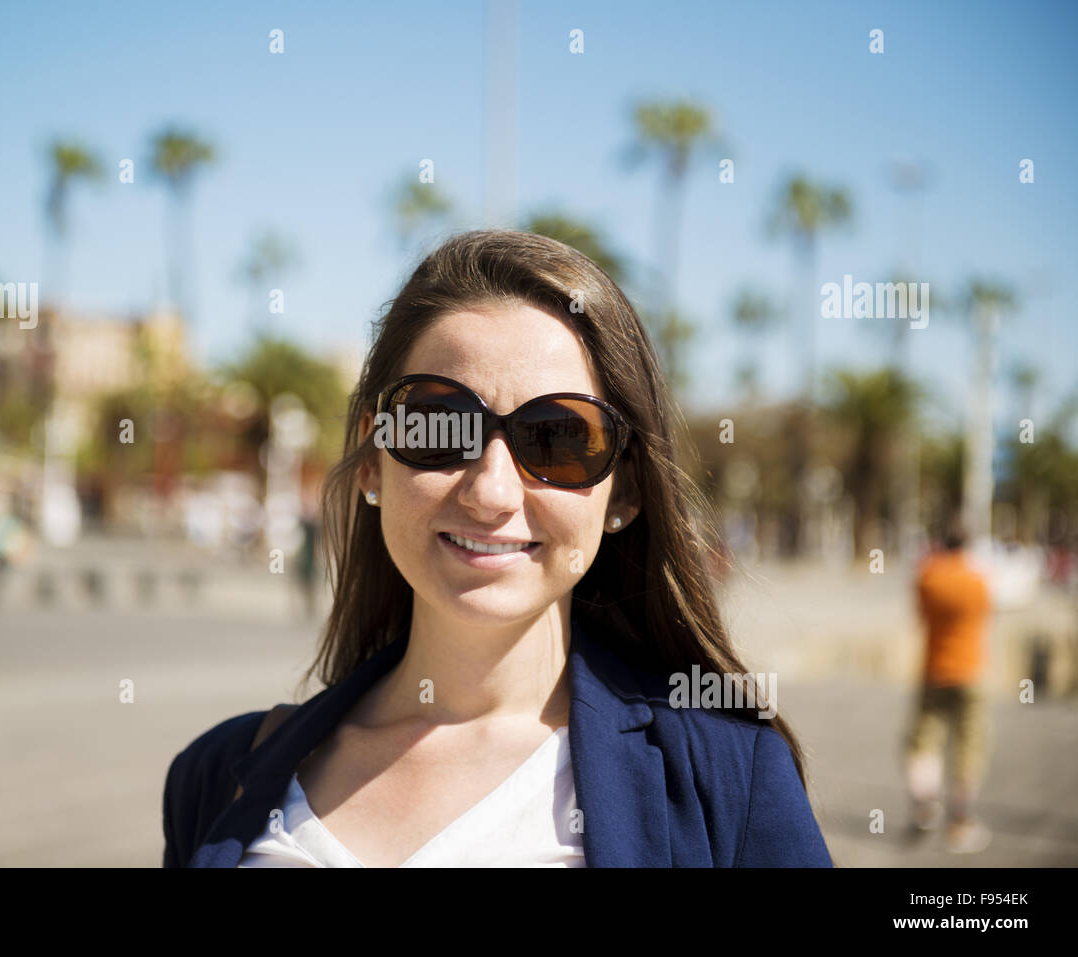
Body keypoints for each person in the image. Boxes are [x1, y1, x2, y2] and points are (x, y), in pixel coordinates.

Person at [163, 229, 832, 867]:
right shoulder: (215, 778)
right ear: (372, 456)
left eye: (558, 438)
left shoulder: (727, 782)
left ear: (624, 489)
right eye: (439, 424)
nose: (491, 491)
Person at [904, 517, 993, 853]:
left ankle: (925, 806)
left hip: (934, 669)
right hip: (971, 670)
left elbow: (921, 615)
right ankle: (960, 822)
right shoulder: (978, 579)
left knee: (924, 739)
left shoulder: (928, 575)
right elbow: (986, 615)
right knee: (970, 745)